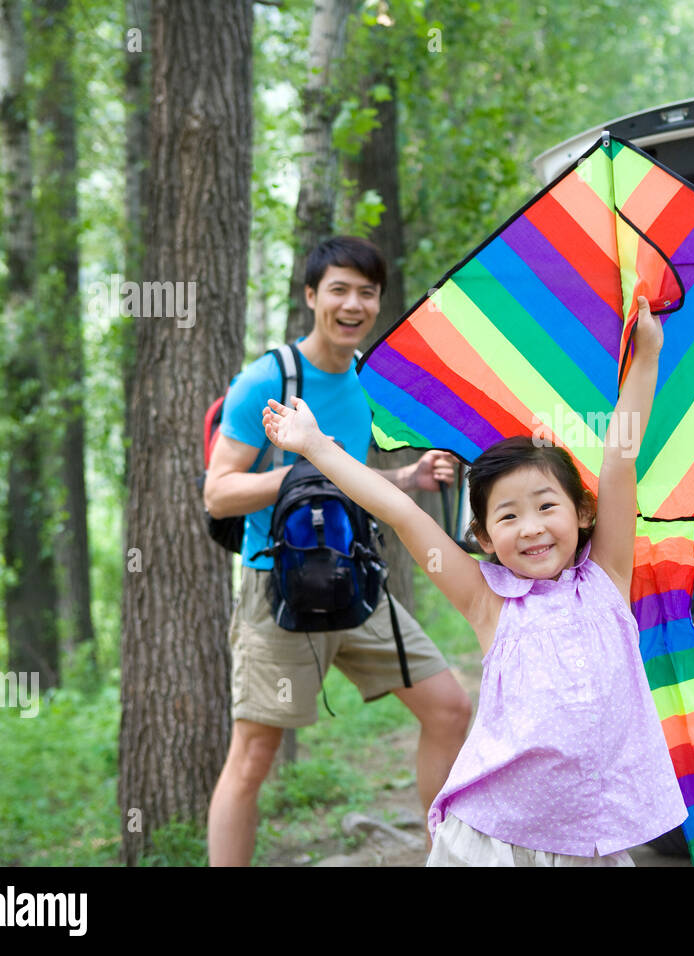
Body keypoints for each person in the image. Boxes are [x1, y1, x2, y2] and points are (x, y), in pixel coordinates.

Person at [261, 295, 688, 866]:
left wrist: (647, 360)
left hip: (591, 840)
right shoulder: (489, 601)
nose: (531, 528)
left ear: (584, 512)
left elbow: (620, 457)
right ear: (484, 538)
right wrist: (315, 446)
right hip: (497, 841)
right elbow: (402, 512)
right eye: (508, 516)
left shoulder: (608, 577)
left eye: (545, 506)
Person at [204, 236, 472, 866]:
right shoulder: (266, 378)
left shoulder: (363, 379)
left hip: (357, 582)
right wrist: (302, 472)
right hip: (280, 587)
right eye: (339, 290)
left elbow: (350, 477)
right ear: (311, 297)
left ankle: (444, 858)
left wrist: (410, 479)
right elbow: (219, 493)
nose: (353, 304)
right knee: (252, 757)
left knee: (450, 708)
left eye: (367, 292)